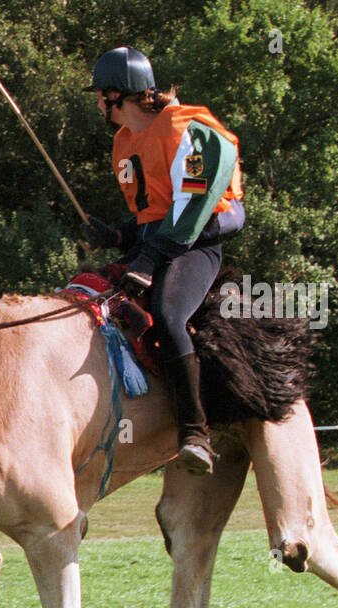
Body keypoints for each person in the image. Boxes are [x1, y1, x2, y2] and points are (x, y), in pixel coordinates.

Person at [80, 47, 246, 475]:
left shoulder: (185, 129)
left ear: (117, 95)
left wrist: (151, 256)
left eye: (100, 94)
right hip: (154, 244)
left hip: (196, 244)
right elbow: (152, 215)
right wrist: (118, 235)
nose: (97, 103)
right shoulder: (122, 144)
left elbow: (192, 209)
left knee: (169, 316)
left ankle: (195, 433)